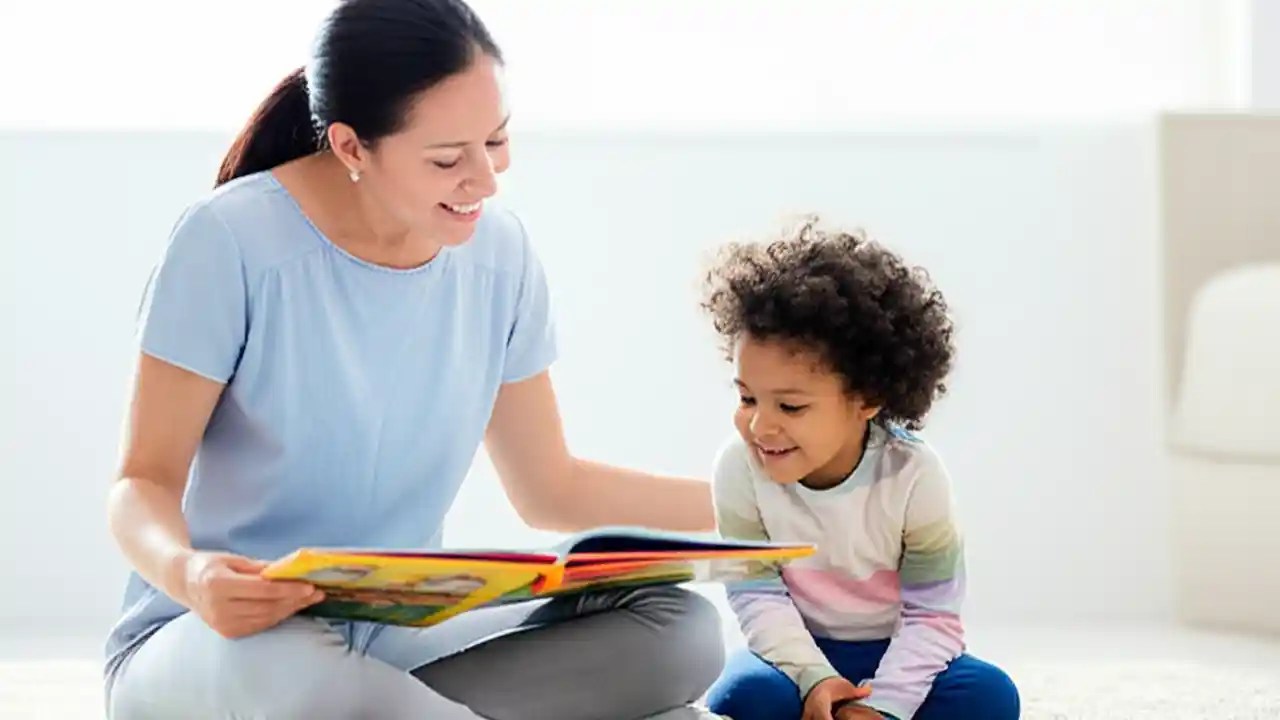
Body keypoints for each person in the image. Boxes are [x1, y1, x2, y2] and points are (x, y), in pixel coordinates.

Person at [103, 1, 725, 718]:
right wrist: (192, 575)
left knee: (679, 630)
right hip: (219, 638)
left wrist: (768, 506)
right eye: (447, 158)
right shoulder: (229, 242)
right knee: (295, 673)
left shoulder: (500, 257)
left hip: (394, 637)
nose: (486, 181)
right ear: (351, 147)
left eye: (496, 141)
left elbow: (551, 489)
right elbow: (140, 482)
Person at [697, 218, 1020, 720]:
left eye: (791, 407)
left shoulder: (914, 475)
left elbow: (933, 615)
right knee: (740, 698)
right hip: (793, 655)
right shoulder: (739, 471)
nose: (760, 425)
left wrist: (885, 705)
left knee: (990, 696)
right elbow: (756, 597)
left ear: (867, 397)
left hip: (902, 653)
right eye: (746, 397)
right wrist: (816, 680)